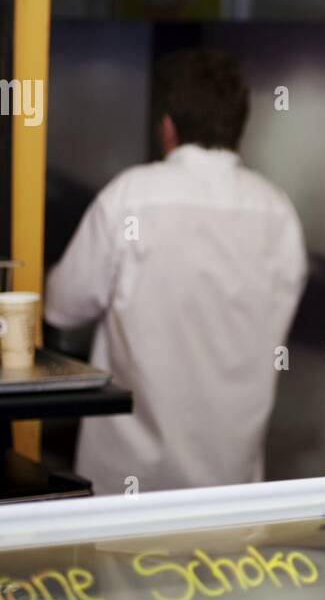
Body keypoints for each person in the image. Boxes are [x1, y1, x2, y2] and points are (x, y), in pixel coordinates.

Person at [44, 48, 308, 495]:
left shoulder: (131, 196)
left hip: (129, 486)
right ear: (238, 127)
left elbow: (61, 307)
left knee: (118, 569)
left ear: (167, 126)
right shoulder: (277, 213)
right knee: (225, 566)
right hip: (231, 486)